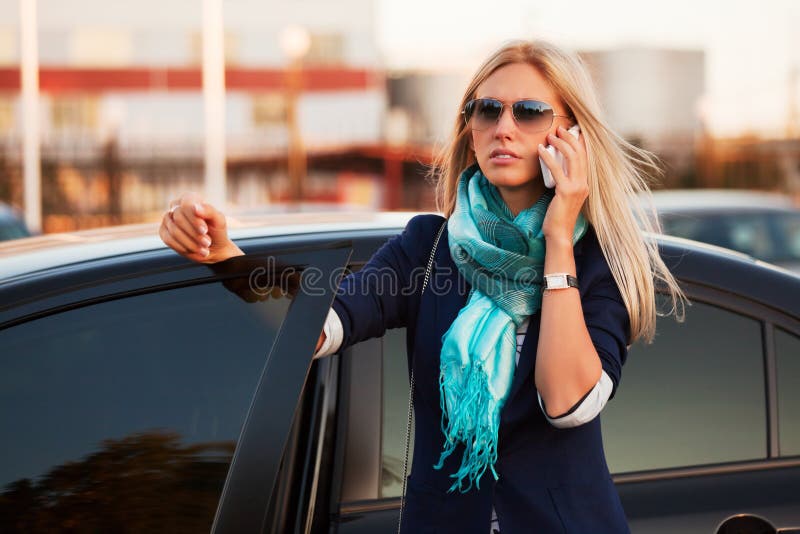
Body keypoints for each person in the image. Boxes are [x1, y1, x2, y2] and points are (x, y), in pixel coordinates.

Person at [160, 39, 684, 534]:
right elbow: (318, 326)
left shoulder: (597, 262)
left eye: (528, 111)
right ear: (470, 128)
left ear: (572, 136)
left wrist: (558, 241)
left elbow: (567, 402)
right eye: (486, 110)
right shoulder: (428, 248)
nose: (504, 127)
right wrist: (225, 258)